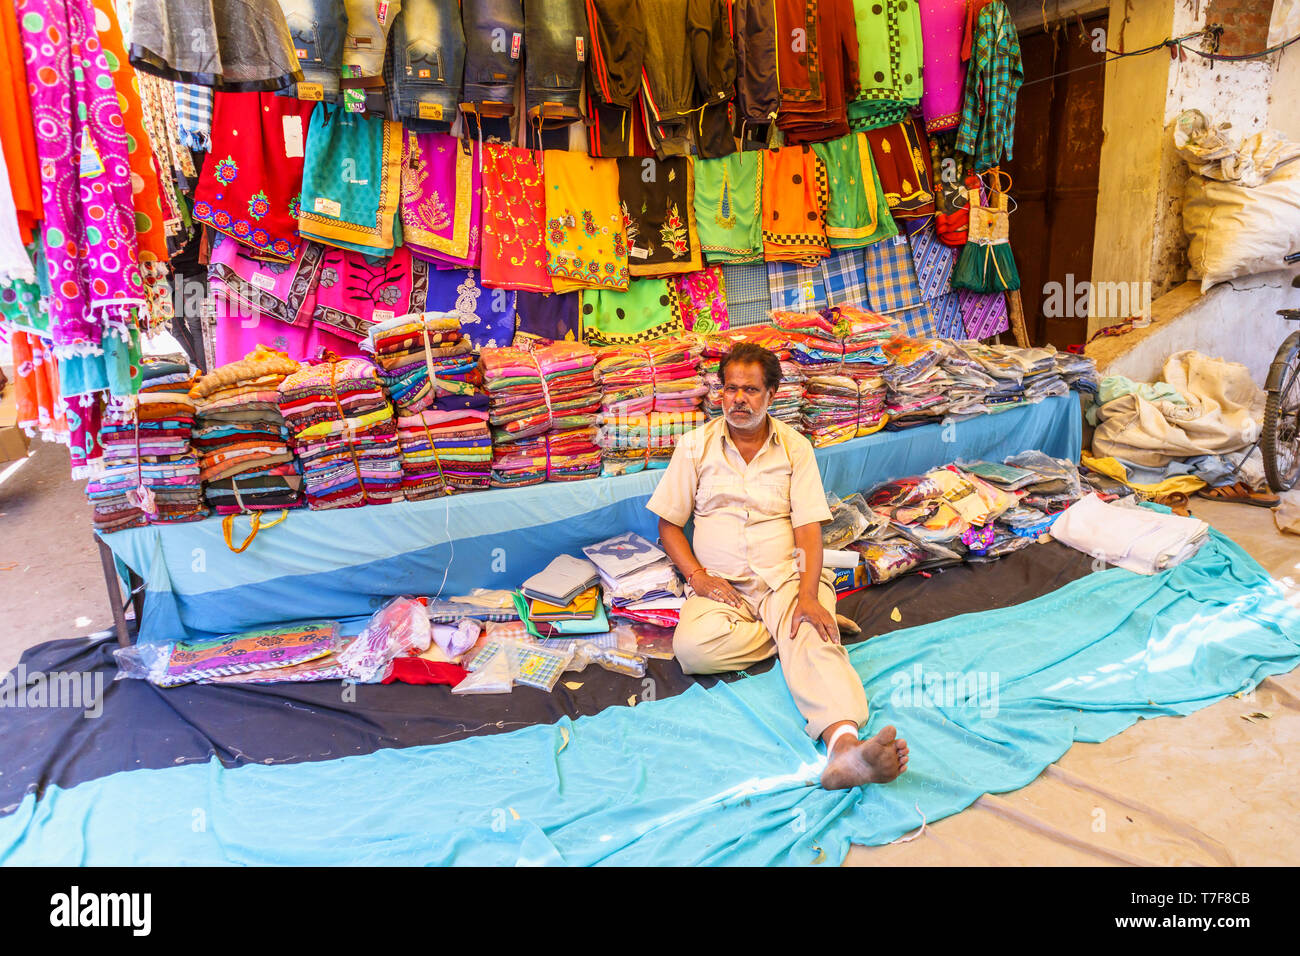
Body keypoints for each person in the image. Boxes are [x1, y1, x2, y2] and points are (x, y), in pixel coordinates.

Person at [647, 342, 909, 790]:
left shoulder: (795, 448)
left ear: (771, 394)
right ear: (720, 393)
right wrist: (698, 576)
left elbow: (809, 530)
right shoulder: (695, 446)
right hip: (720, 588)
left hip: (784, 578)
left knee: (809, 626)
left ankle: (845, 748)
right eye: (730, 389)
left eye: (750, 390)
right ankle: (794, 642)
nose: (738, 400)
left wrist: (807, 596)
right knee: (692, 651)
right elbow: (668, 527)